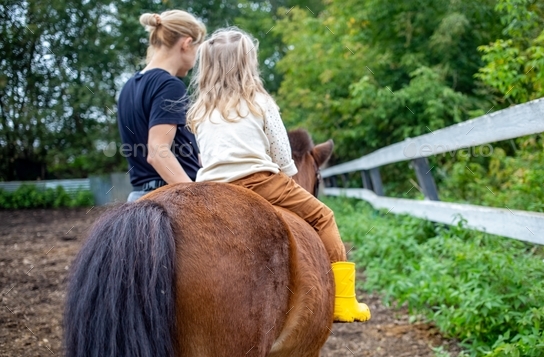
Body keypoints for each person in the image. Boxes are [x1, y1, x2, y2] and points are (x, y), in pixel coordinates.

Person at [186, 27, 370, 323]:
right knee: (324, 217)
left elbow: (206, 156)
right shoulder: (260, 102)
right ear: (249, 63)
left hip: (211, 190)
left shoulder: (198, 111)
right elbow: (284, 157)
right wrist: (286, 174)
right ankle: (343, 302)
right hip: (260, 182)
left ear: (205, 66)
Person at [117, 11, 206, 202]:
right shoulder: (169, 85)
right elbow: (158, 152)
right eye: (198, 47)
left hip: (138, 198)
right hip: (170, 201)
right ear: (187, 43)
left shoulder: (128, 87)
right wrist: (198, 199)